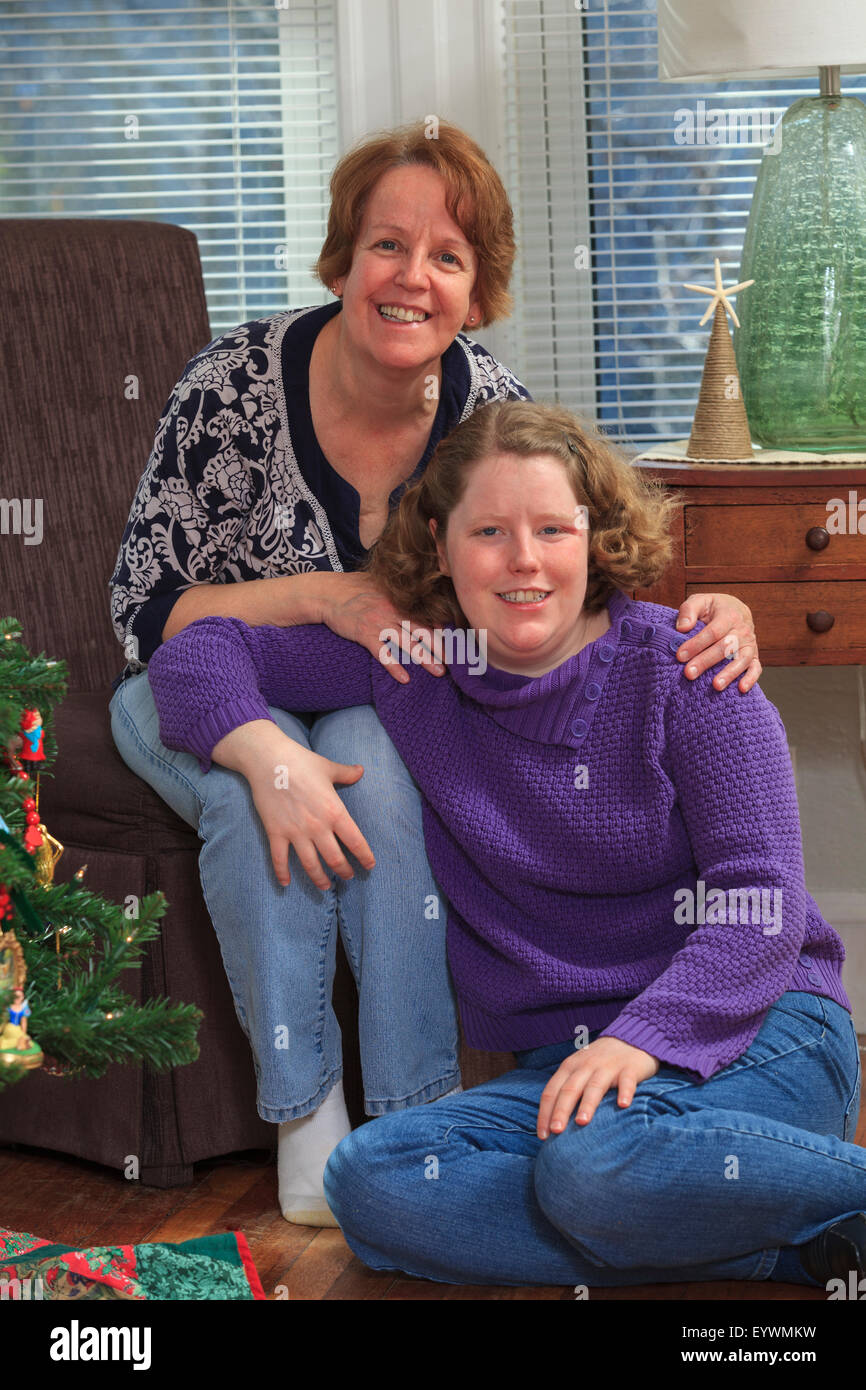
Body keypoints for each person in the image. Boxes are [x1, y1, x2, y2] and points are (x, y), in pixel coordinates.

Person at [108, 118, 761, 1230]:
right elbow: (148, 615)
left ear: (476, 288)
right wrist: (311, 636)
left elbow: (555, 585)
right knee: (248, 794)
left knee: (376, 780)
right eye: (385, 246)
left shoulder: (485, 411)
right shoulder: (226, 387)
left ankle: (414, 1112)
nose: (411, 277)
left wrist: (721, 606)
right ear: (340, 259)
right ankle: (304, 1114)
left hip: (376, 691)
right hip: (195, 677)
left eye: (446, 257)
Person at [145, 397, 864, 1292]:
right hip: (568, 1077)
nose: (524, 562)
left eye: (552, 529)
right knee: (371, 1182)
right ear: (441, 544)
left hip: (756, 1033)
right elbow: (193, 654)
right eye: (489, 531)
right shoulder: (420, 662)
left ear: (594, 537)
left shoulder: (691, 671)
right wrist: (263, 753)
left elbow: (762, 911)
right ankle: (792, 1246)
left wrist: (642, 1038)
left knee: (590, 1167)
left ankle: (733, 1199)